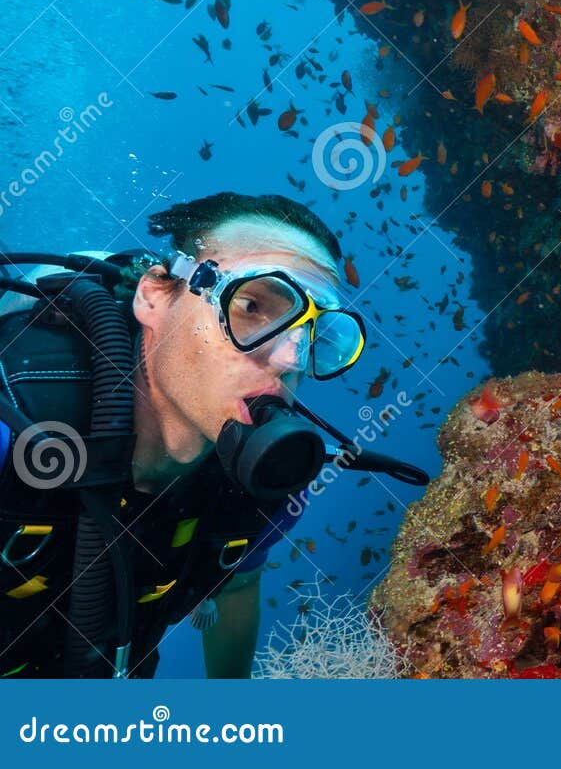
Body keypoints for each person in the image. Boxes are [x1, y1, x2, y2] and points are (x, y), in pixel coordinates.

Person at [0, 193, 367, 679]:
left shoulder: (258, 492)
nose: (289, 358)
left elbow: (235, 585)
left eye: (315, 336)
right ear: (153, 296)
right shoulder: (15, 425)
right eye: (253, 305)